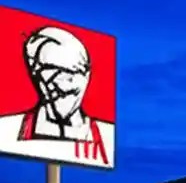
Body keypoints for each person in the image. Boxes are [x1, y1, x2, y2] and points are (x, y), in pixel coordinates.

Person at [0, 25, 113, 167]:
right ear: (35, 74)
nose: (62, 84)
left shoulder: (109, 138)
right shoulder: (6, 131)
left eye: (71, 72)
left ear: (86, 76)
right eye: (50, 70)